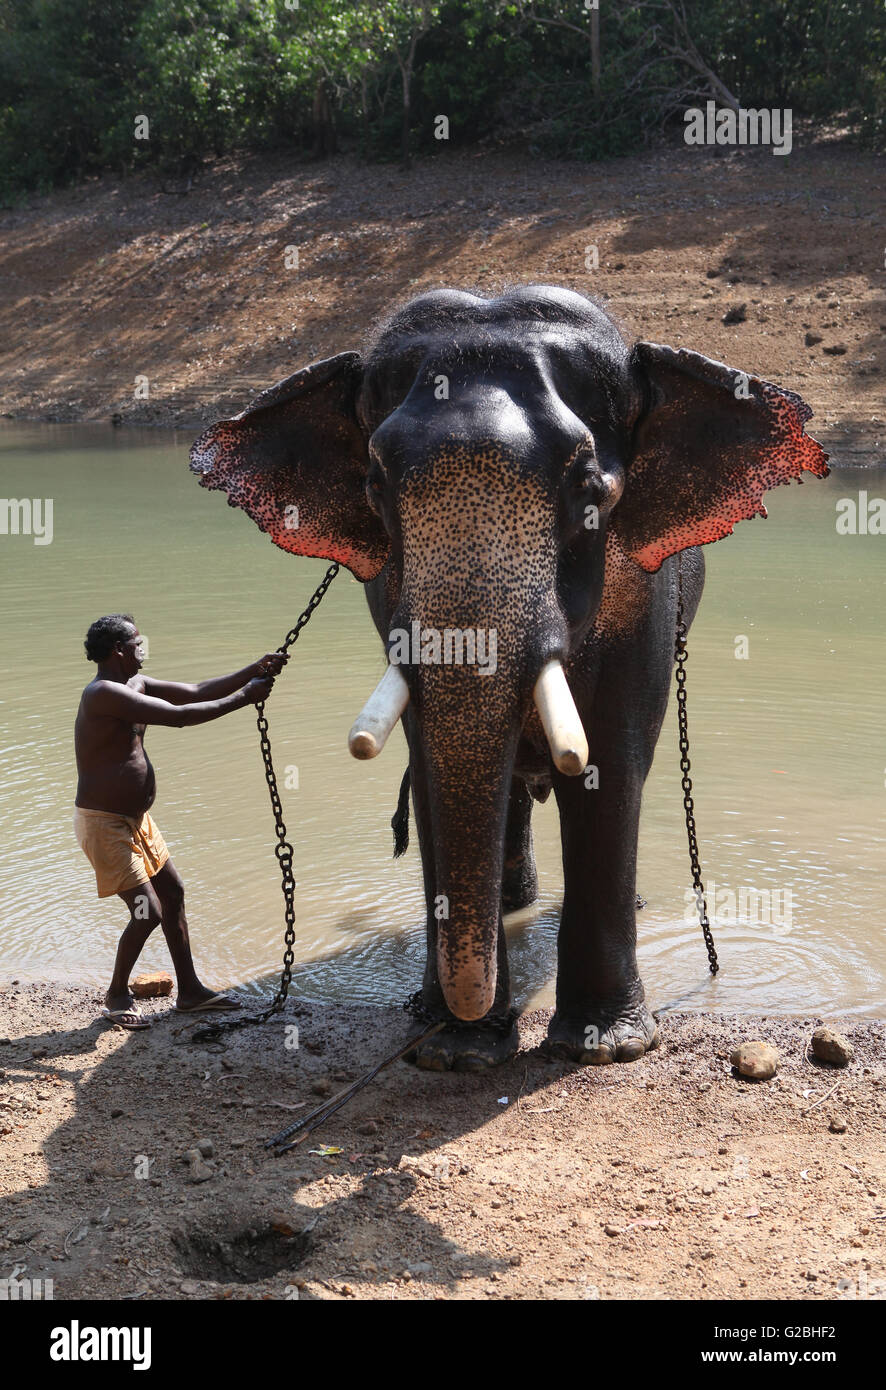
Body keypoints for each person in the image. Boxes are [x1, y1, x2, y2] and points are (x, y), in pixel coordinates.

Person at [74, 613, 287, 1028]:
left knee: (172, 893)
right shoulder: (101, 694)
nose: (143, 650)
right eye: (137, 644)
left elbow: (192, 693)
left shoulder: (134, 684)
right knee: (146, 911)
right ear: (118, 651)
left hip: (136, 820)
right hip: (104, 824)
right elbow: (180, 717)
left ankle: (189, 992)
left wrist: (254, 670)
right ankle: (116, 995)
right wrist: (247, 697)